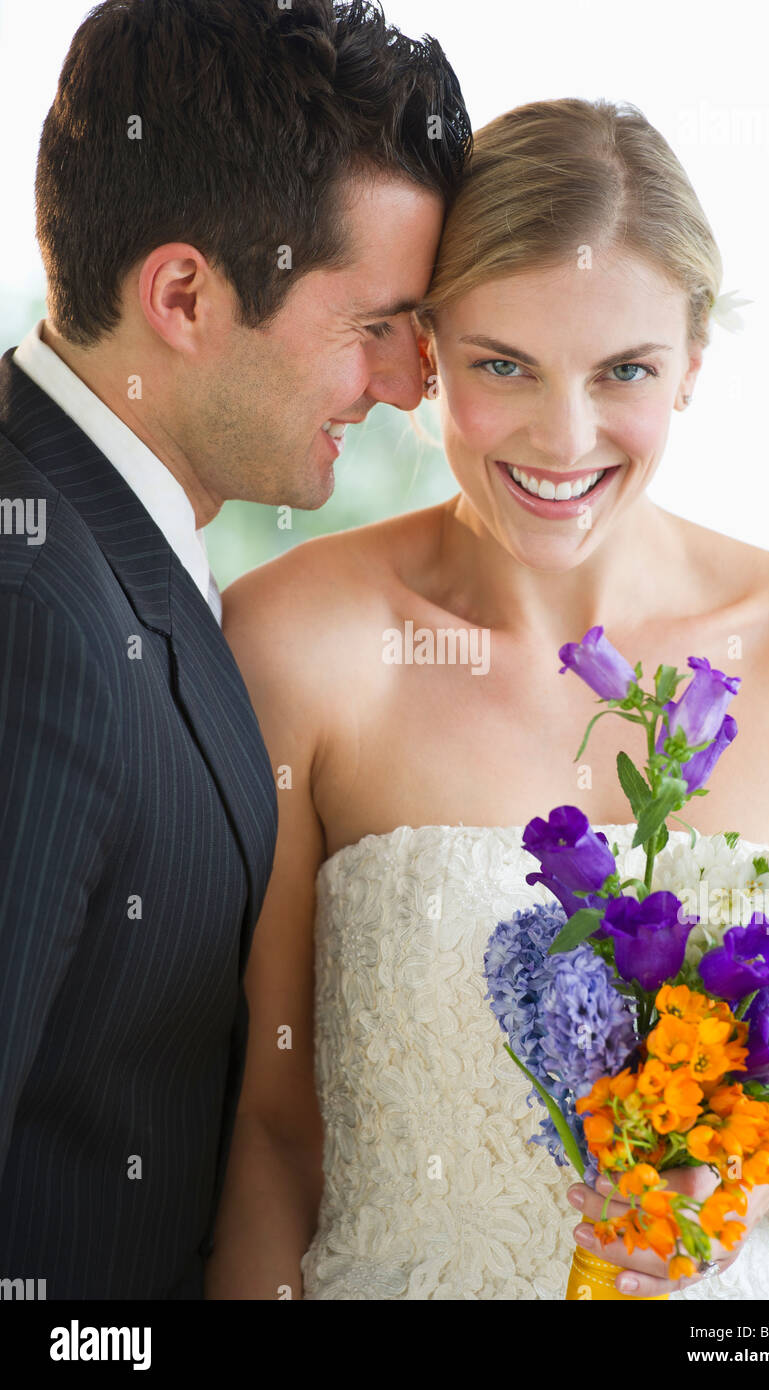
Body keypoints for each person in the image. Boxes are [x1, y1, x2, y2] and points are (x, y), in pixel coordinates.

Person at [214, 96, 769, 1300]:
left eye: (622, 369)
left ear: (690, 366)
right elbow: (270, 1130)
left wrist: (760, 1170)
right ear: (426, 353)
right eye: (501, 365)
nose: (561, 439)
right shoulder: (294, 637)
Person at [0, 0, 470, 1299]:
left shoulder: (119, 551)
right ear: (185, 296)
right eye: (374, 323)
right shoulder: (33, 614)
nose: (395, 386)